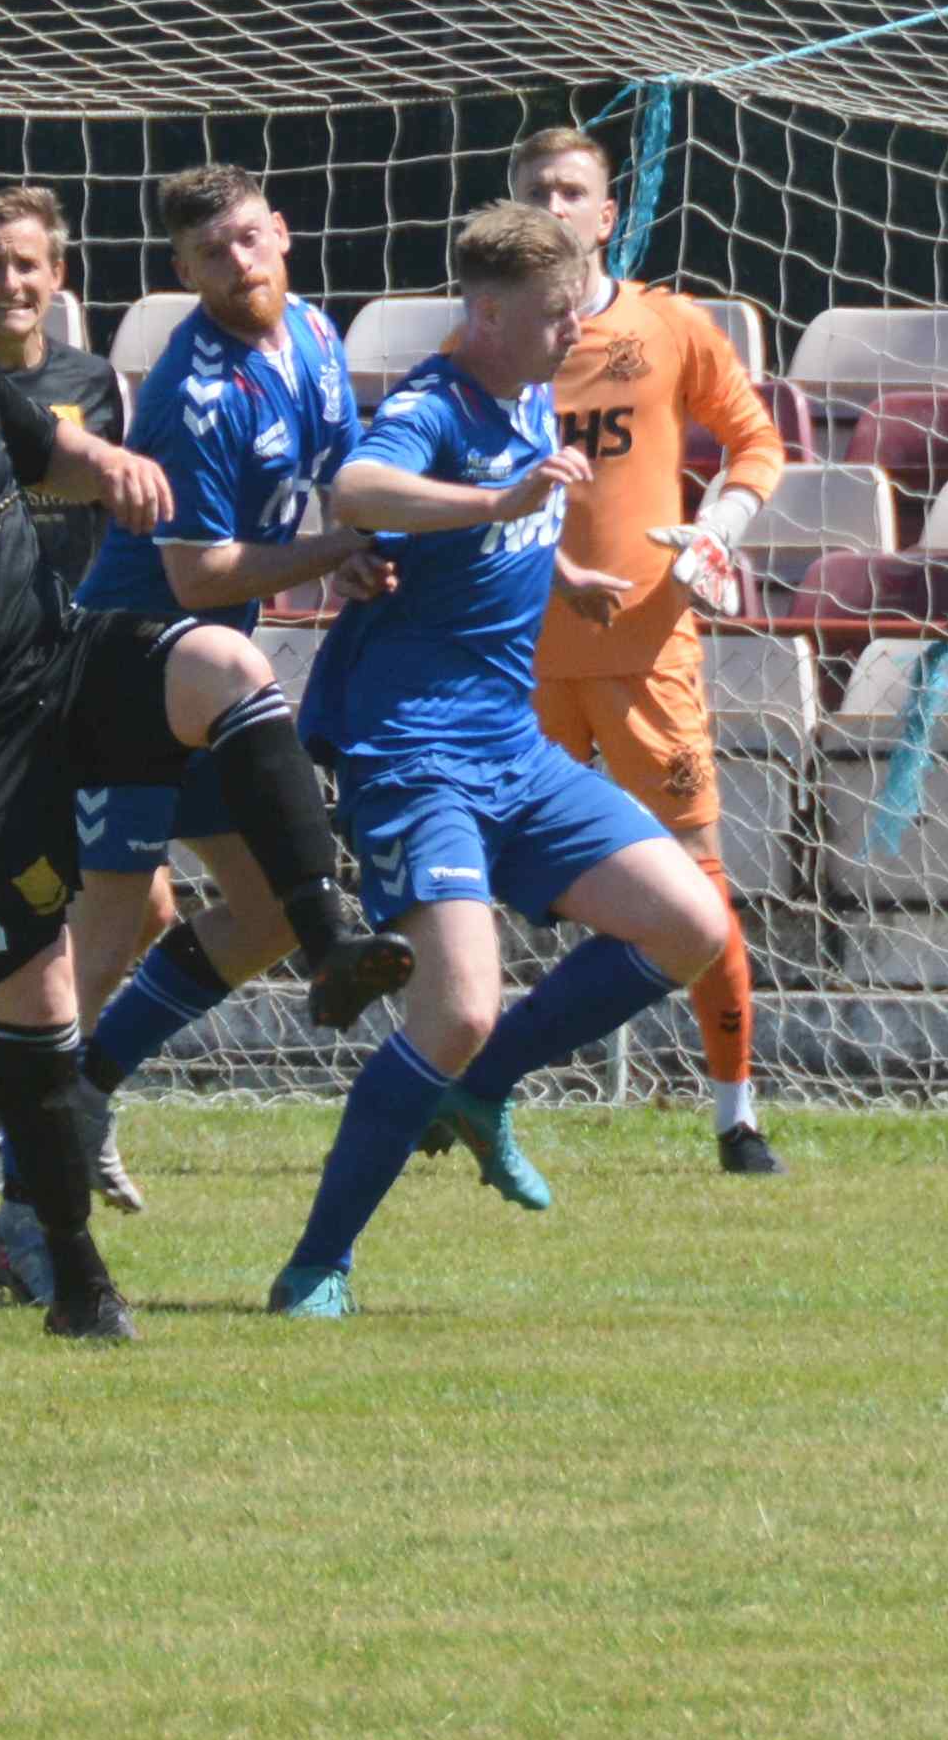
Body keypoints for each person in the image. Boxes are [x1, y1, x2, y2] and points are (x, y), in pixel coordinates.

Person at [0, 231, 415, 1342]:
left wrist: (104, 465)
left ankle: (327, 938)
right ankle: (72, 1274)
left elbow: (39, 444)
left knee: (228, 666)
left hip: (59, 663)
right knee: (40, 1003)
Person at [270, 204, 737, 1317]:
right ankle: (316, 1263)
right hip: (414, 755)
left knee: (691, 923)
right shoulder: (434, 407)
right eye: (551, 312)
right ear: (483, 313)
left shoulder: (529, 386)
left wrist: (560, 572)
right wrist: (492, 502)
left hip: (508, 749)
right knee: (456, 1007)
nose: (574, 328)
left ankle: (481, 1090)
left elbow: (506, 527)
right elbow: (358, 492)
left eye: (577, 304)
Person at [37, 165, 388, 1230]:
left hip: (206, 685)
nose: (240, 266)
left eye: (248, 240)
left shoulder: (318, 337)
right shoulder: (196, 392)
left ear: (279, 232)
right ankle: (24, 1129)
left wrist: (364, 539)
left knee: (267, 916)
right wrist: (330, 549)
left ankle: (82, 1090)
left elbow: (339, 474)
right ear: (181, 271)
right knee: (106, 924)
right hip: (126, 665)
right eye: (211, 254)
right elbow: (195, 577)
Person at [505, 124, 793, 1173]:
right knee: (460, 881)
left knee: (699, 882)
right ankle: (451, 1078)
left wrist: (722, 527)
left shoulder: (666, 325)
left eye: (571, 189)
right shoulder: (484, 344)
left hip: (644, 655)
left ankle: (733, 1114)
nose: (554, 204)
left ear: (605, 213)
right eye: (536, 188)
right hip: (513, 659)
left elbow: (756, 439)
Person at [0, 183, 167, 1206]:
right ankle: (3, 1124)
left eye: (28, 264)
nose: (10, 281)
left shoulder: (96, 379)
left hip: (79, 663)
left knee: (136, 901)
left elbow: (120, 492)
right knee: (2, 906)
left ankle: (69, 1099)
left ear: (56, 276)